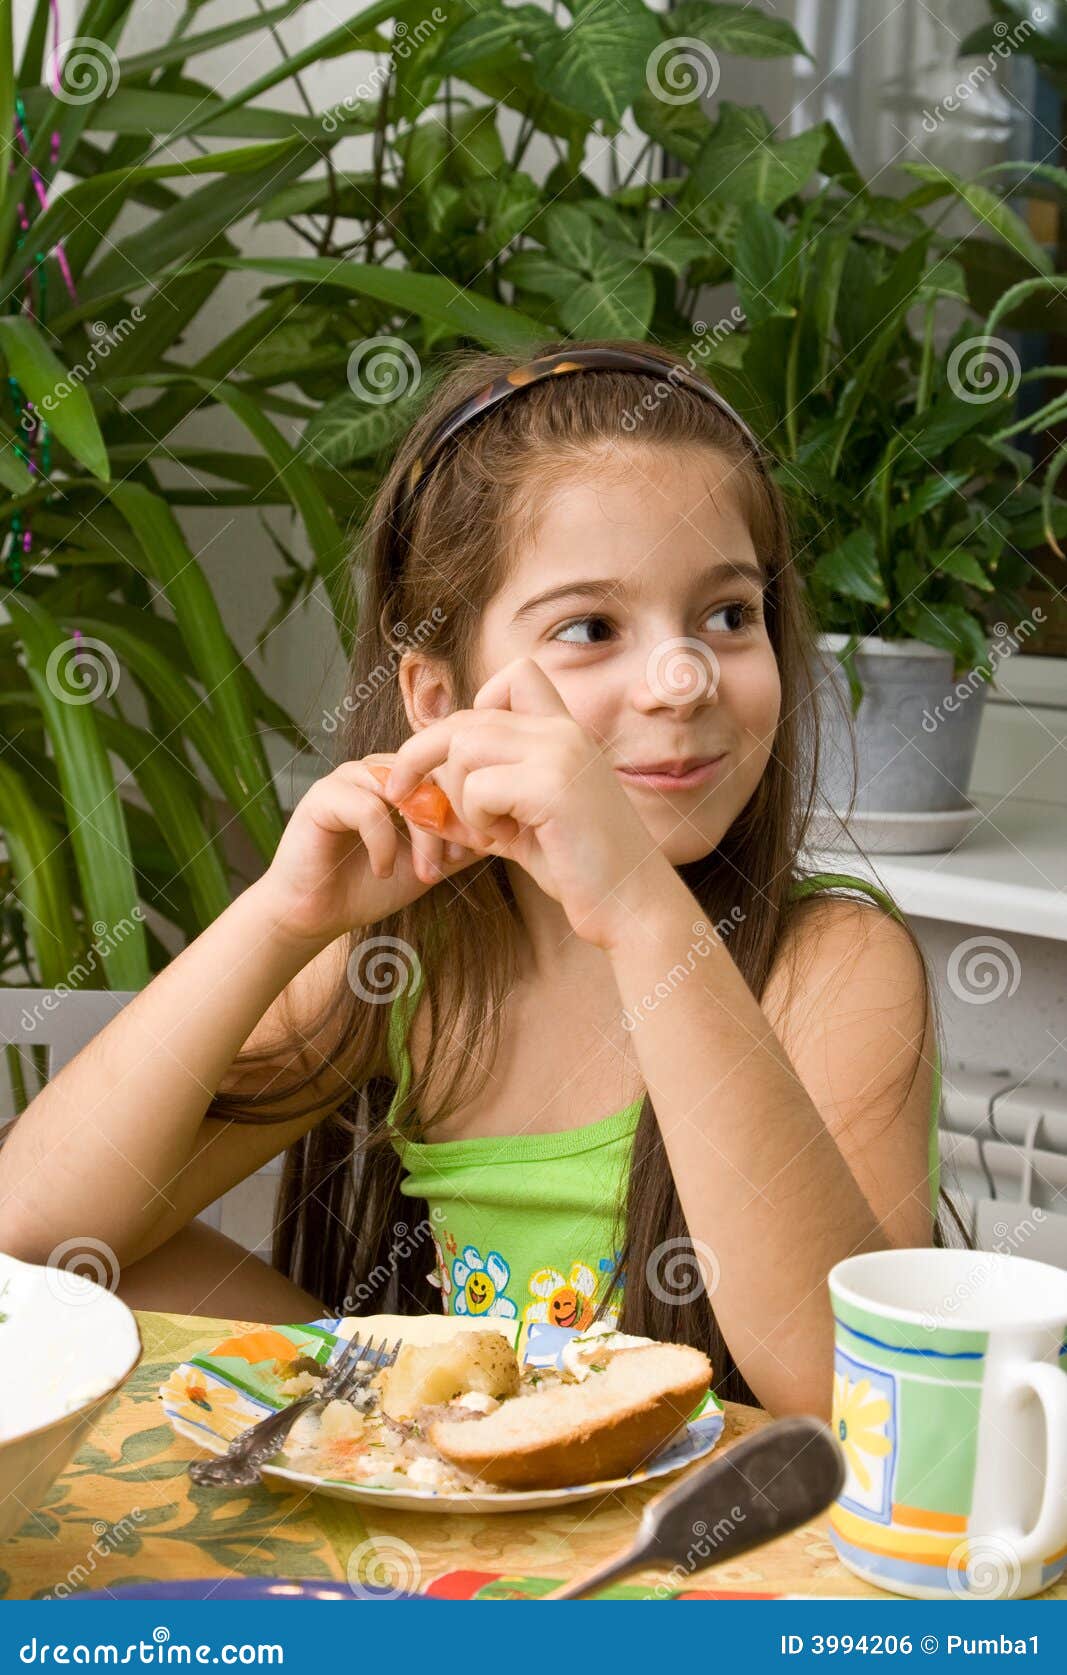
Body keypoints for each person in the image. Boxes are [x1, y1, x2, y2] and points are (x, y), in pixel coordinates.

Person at [0, 340, 958, 1415]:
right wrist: (279, 917)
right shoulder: (414, 964)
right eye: (590, 628)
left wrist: (640, 909)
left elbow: (850, 1397)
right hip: (491, 1551)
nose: (680, 679)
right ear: (438, 695)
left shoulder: (833, 966)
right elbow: (31, 1237)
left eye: (727, 615)